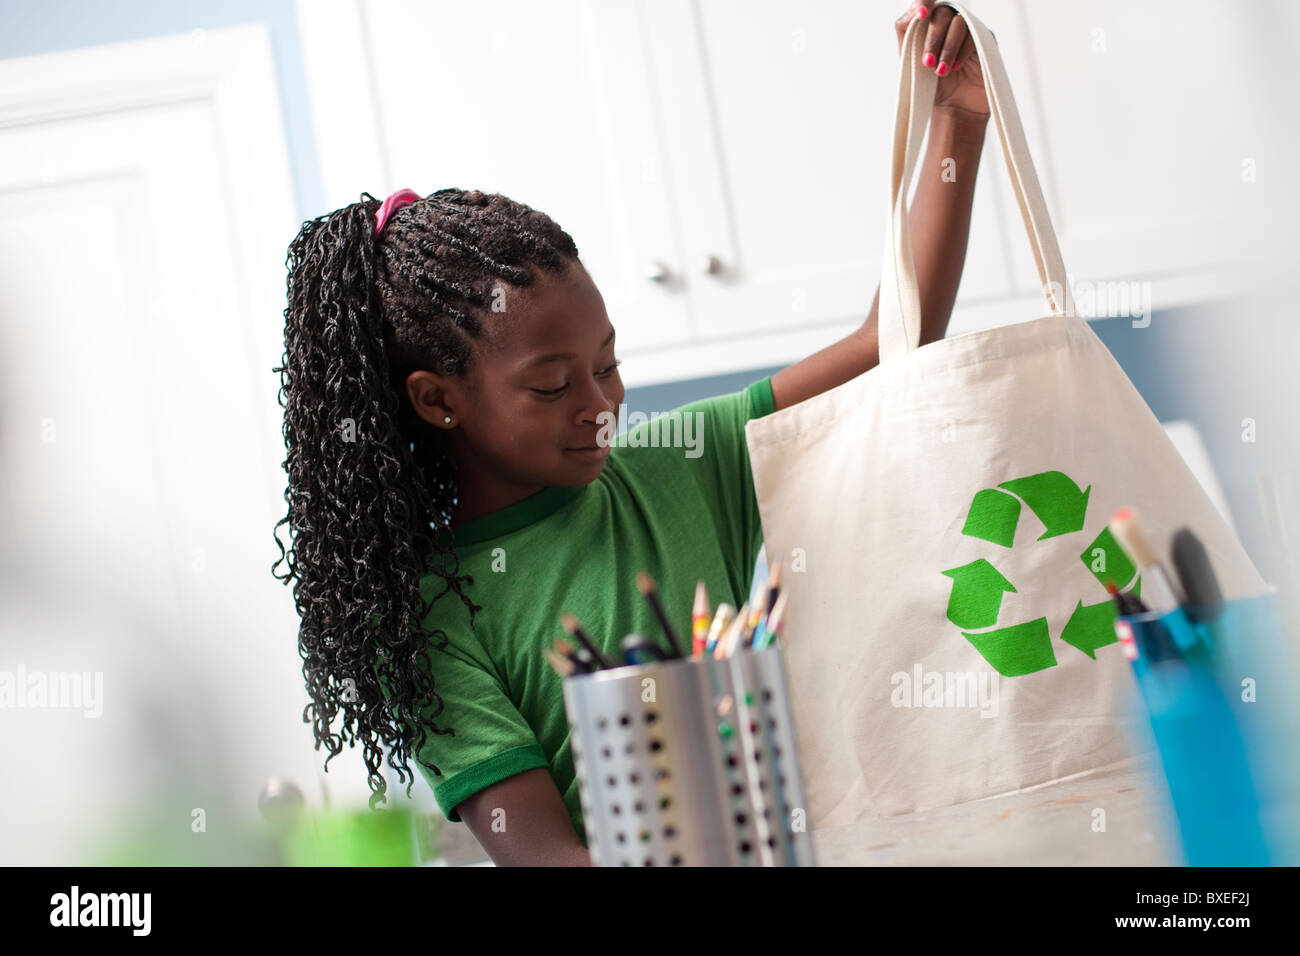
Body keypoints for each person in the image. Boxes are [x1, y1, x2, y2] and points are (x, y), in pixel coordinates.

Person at [272, 2, 990, 866]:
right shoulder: (431, 621)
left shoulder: (682, 464)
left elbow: (891, 343)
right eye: (553, 384)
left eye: (608, 366)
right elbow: (547, 858)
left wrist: (959, 120)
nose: (601, 404)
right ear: (437, 401)